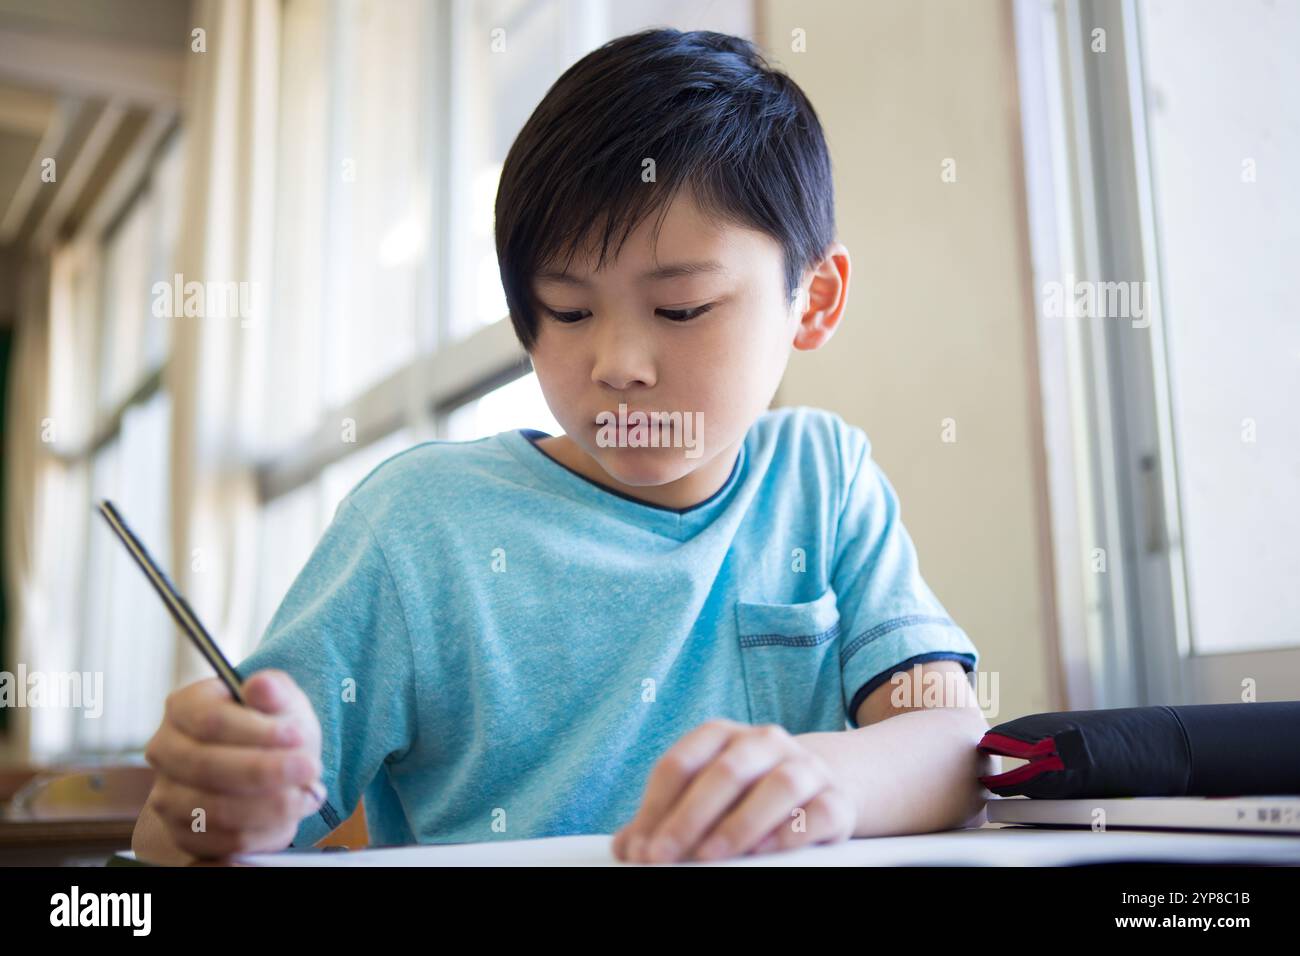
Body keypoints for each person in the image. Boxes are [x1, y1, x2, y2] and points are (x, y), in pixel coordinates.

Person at [133, 28, 991, 866]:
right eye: (569, 313)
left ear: (814, 299)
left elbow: (954, 743)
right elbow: (192, 835)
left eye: (682, 308)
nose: (617, 365)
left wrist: (822, 778)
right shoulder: (420, 526)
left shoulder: (823, 479)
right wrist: (203, 812)